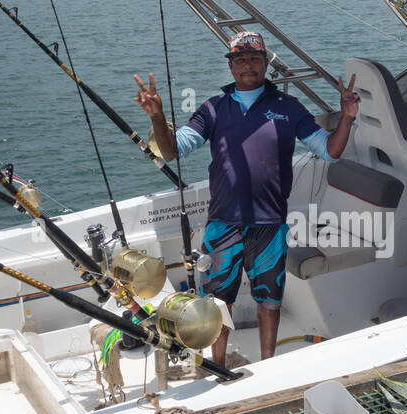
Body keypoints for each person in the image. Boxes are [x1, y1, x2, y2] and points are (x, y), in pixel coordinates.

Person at [133, 32, 359, 364]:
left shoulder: (288, 107)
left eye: (254, 59)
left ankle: (268, 363)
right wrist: (156, 116)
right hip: (223, 222)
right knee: (216, 303)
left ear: (266, 63)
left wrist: (348, 116)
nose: (247, 65)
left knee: (269, 300)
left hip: (270, 223)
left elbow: (330, 151)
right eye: (240, 60)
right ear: (231, 67)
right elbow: (171, 151)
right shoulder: (214, 108)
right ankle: (218, 365)